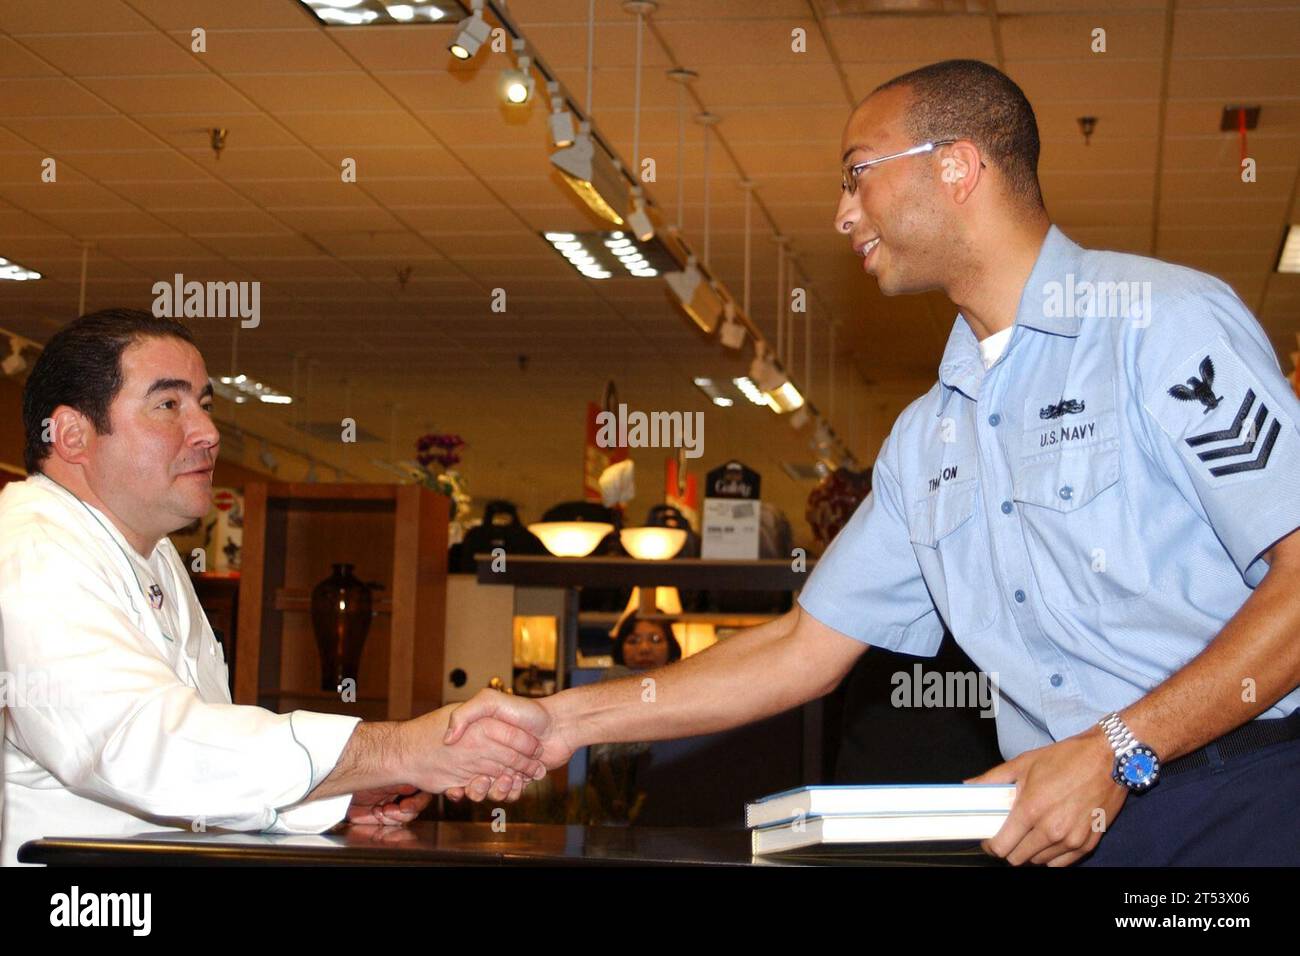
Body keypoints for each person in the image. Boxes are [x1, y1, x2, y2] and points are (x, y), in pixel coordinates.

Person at [444, 59, 1300, 866]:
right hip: (1052, 825)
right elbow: (799, 648)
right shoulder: (928, 439)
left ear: (958, 167)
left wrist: (1121, 748)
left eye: (859, 173)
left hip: (1242, 797)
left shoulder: (1161, 323)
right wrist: (558, 722)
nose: (843, 212)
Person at [0, 310, 546, 867]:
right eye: (169, 405)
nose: (208, 432)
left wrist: (332, 796)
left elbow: (197, 776)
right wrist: (400, 749)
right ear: (72, 435)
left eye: (204, 405)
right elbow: (141, 747)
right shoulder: (30, 551)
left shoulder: (152, 554)